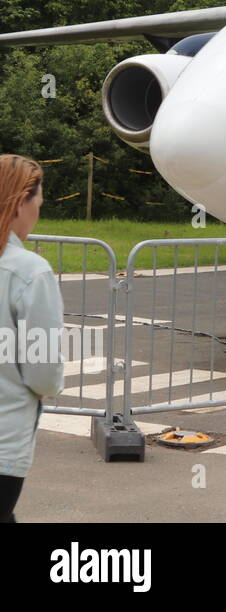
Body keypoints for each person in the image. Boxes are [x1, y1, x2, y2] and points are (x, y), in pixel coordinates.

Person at [0, 155, 62, 522]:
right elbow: (43, 372)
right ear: (22, 201)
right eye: (38, 201)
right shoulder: (30, 271)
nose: (38, 210)